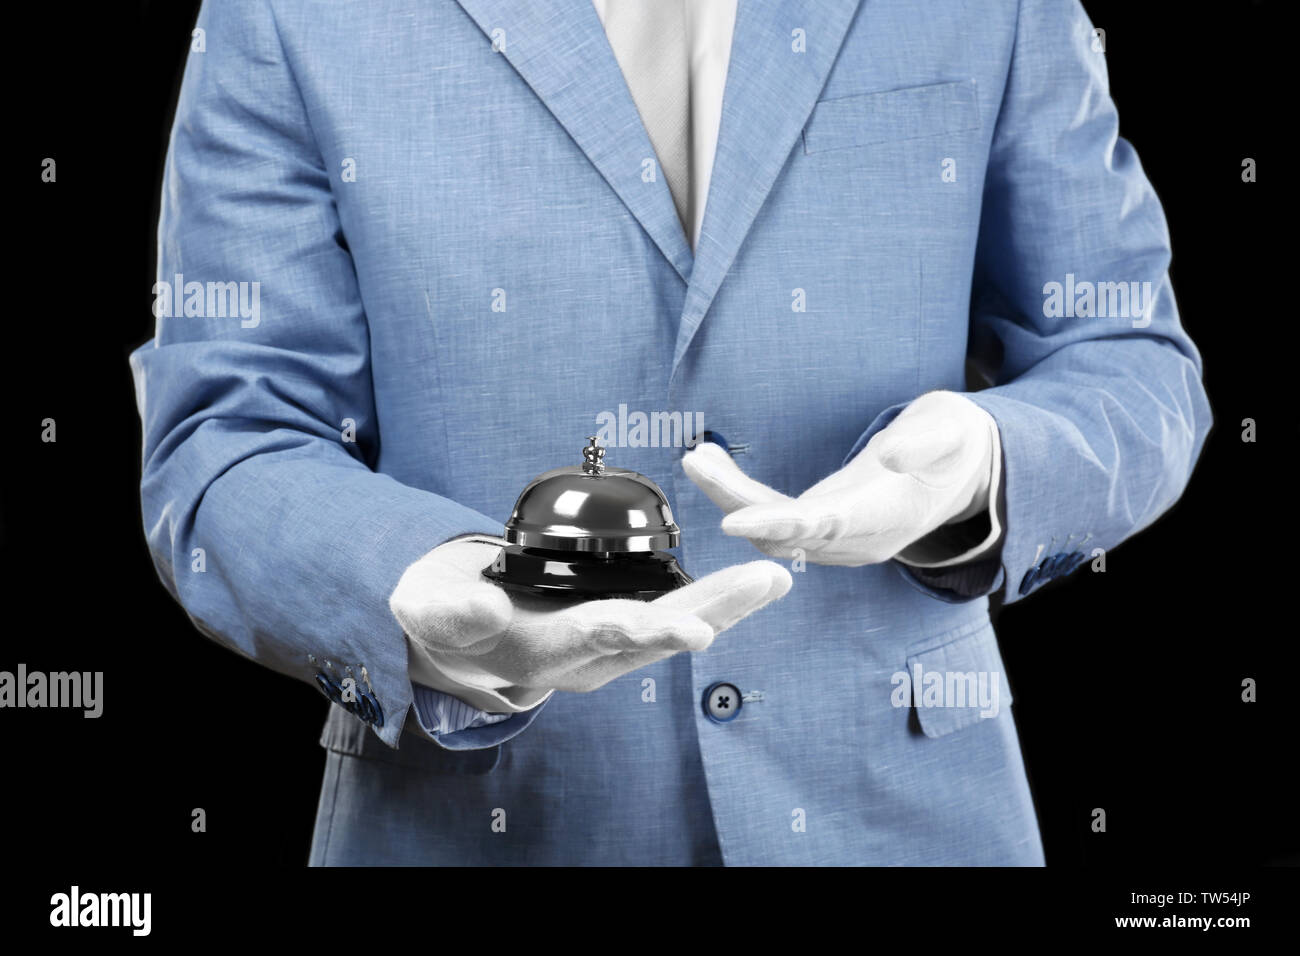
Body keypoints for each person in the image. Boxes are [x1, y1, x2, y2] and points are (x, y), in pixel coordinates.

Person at [131, 0, 1210, 865]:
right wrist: (412, 584)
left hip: (909, 819)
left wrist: (983, 460)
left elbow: (1130, 360)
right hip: (474, 819)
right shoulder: (283, 15)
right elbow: (225, 438)